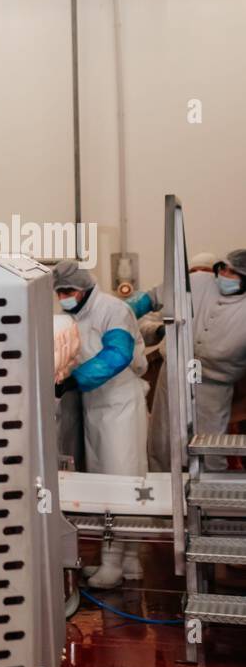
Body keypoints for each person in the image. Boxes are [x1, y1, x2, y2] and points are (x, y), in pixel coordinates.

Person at [54, 259, 149, 587]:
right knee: (104, 482)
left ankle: (120, 562)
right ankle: (124, 562)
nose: (63, 296)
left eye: (68, 291)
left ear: (84, 287)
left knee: (123, 481)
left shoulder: (112, 309)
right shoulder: (74, 314)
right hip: (95, 405)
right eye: (59, 292)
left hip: (120, 404)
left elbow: (118, 355)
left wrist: (73, 380)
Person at [130, 249, 246, 472]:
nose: (225, 274)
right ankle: (163, 497)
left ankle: (207, 500)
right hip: (173, 373)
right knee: (163, 440)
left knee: (209, 446)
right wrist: (121, 312)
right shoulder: (197, 282)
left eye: (233, 272)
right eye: (223, 268)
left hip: (214, 386)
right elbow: (150, 298)